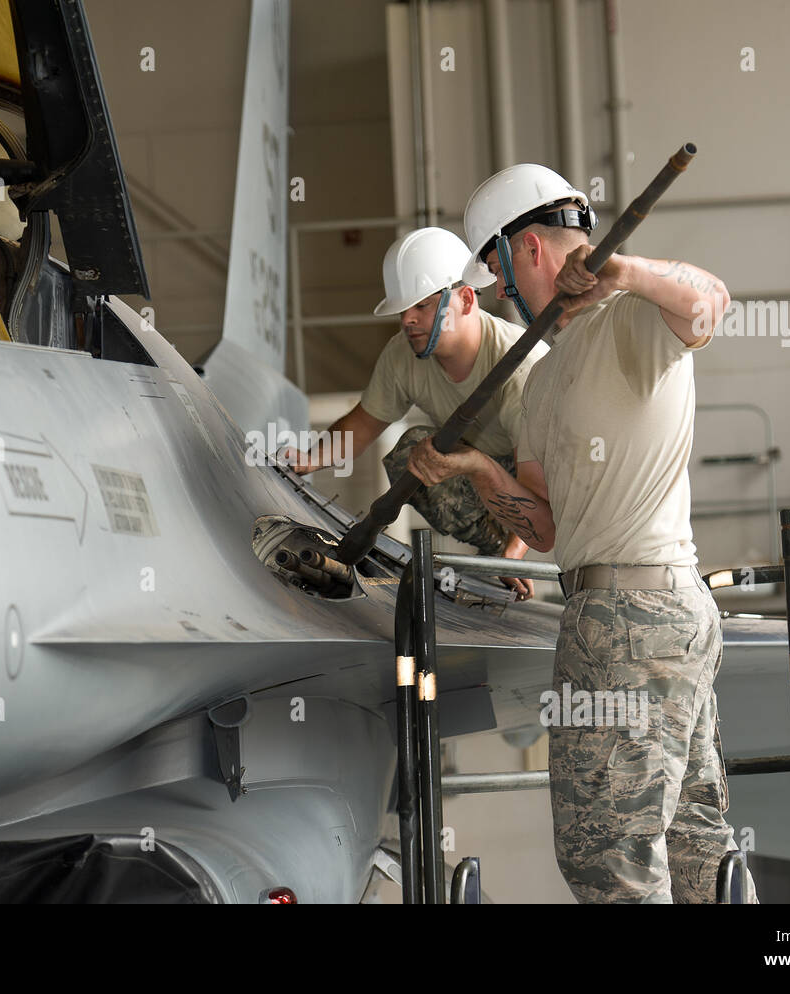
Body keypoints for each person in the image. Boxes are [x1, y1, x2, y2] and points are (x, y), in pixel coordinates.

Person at [408, 163, 755, 903]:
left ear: (530, 249)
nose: (499, 288)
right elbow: (548, 526)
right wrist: (472, 466)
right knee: (694, 845)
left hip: (632, 618)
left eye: (497, 266)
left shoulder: (631, 321)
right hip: (638, 612)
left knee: (609, 859)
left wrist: (620, 271)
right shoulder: (543, 380)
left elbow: (709, 302)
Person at [285, 226, 548, 598]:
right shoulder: (402, 356)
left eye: (422, 306)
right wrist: (310, 460)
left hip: (544, 483)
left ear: (467, 300)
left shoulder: (520, 368)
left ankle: (504, 550)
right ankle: (494, 545)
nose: (407, 320)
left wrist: (513, 555)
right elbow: (364, 422)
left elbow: (541, 481)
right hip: (480, 469)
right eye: (403, 310)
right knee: (412, 450)